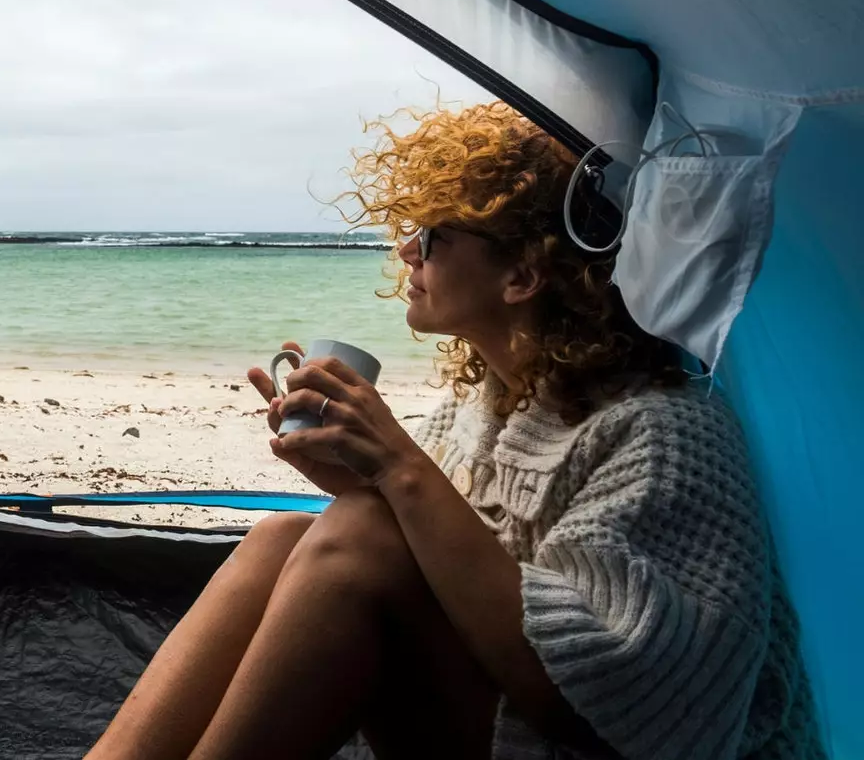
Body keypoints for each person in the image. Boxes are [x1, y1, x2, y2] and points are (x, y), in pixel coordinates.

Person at [86, 102, 820, 760]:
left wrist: (399, 474)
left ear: (523, 275)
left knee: (360, 535)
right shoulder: (488, 407)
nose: (408, 251)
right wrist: (360, 479)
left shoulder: (665, 434)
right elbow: (441, 567)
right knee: (286, 535)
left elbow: (589, 704)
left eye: (433, 234)